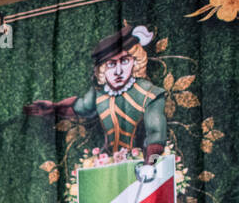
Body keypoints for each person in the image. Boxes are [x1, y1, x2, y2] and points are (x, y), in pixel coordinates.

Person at [23, 24, 168, 182]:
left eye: (125, 61)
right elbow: (80, 107)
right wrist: (53, 108)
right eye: (111, 64)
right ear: (102, 69)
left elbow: (156, 134)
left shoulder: (150, 94)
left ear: (135, 61)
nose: (119, 71)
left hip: (142, 169)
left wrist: (149, 163)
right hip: (110, 170)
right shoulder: (100, 93)